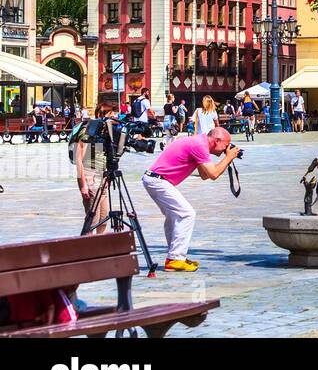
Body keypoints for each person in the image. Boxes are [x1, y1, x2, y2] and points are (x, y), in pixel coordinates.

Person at [140, 125, 240, 272]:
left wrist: (225, 158)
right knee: (187, 214)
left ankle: (174, 257)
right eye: (225, 146)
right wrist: (228, 157)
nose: (226, 149)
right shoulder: (199, 145)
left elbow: (205, 175)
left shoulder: (199, 143)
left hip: (155, 180)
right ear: (217, 140)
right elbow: (213, 174)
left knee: (174, 216)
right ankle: (175, 259)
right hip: (158, 181)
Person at [76, 99, 119, 234]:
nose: (115, 118)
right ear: (104, 114)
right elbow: (79, 158)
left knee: (103, 217)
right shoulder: (89, 129)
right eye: (112, 116)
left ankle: (100, 248)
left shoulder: (106, 131)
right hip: (90, 174)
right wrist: (82, 183)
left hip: (103, 175)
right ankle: (87, 249)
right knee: (92, 219)